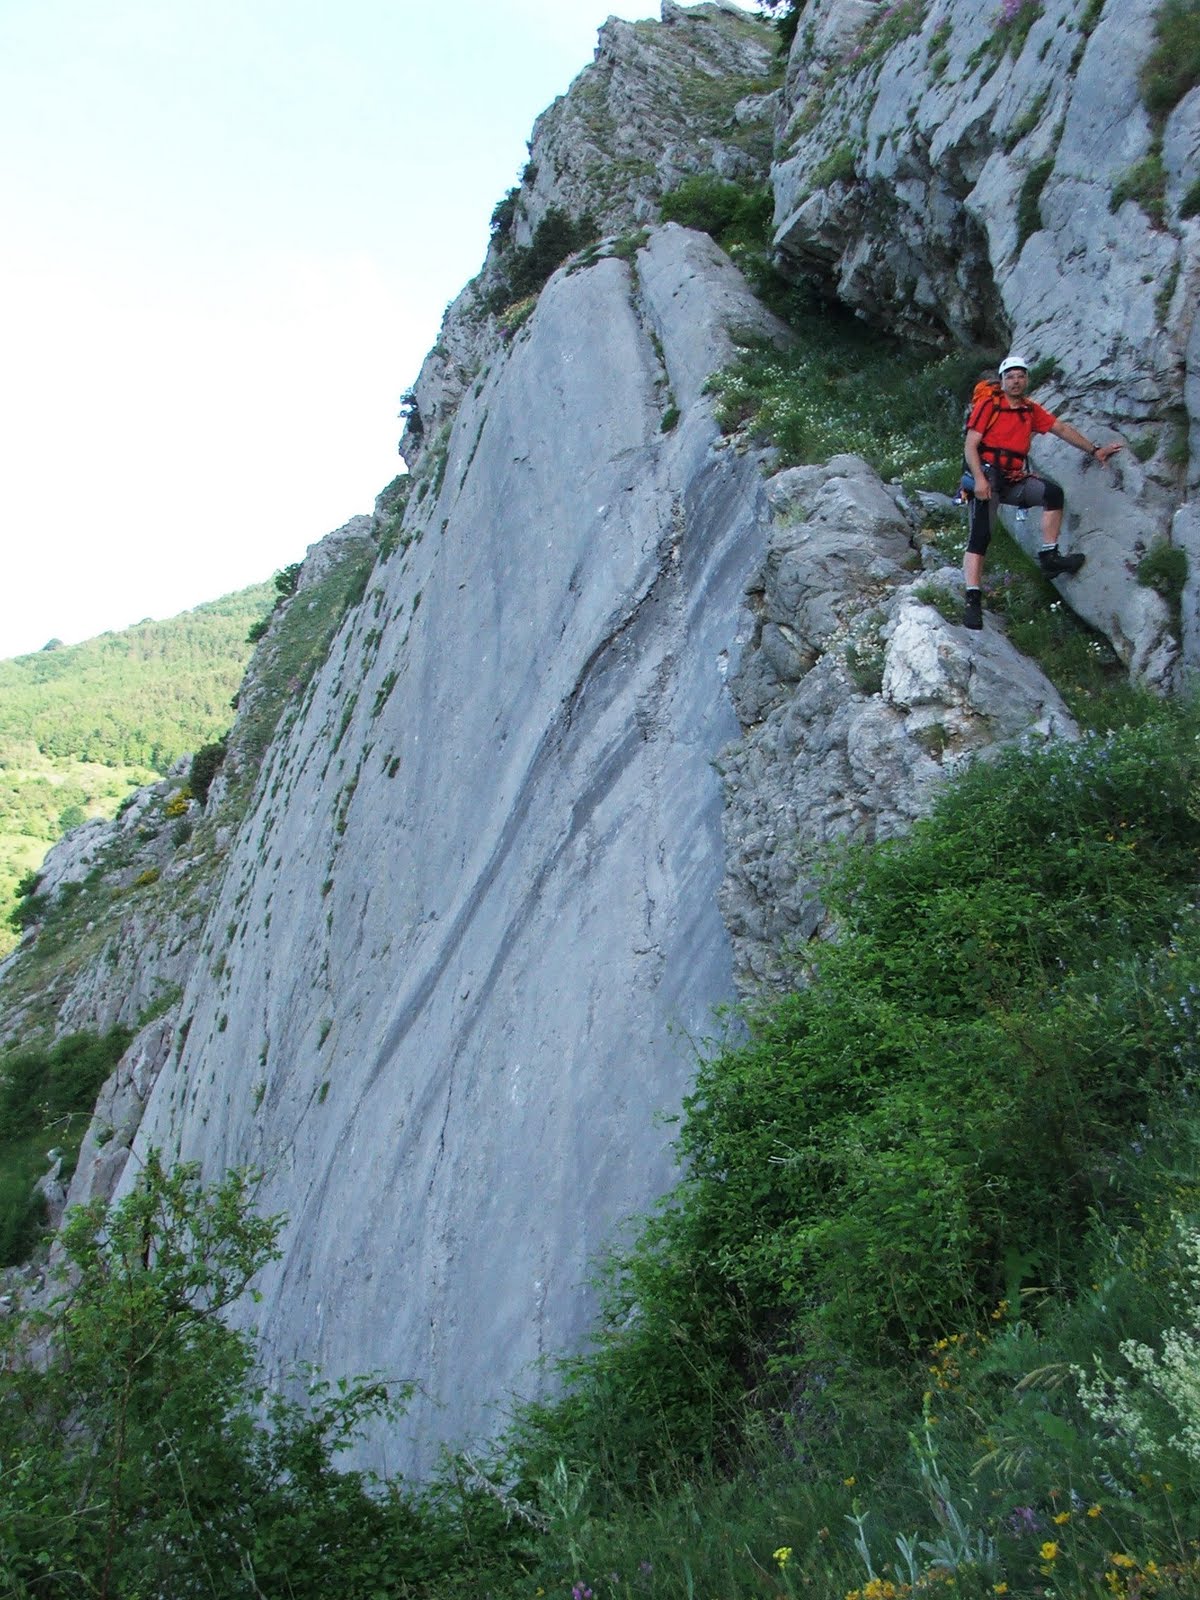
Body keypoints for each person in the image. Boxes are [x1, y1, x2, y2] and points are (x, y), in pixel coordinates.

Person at [961, 355, 1123, 630]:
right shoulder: (990, 405)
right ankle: (972, 601)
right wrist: (978, 479)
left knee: (1052, 494)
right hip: (987, 476)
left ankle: (1050, 557)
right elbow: (970, 445)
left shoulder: (1029, 409)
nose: (1016, 381)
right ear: (1002, 380)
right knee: (980, 536)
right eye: (1010, 376)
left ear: (1026, 380)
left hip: (1012, 478)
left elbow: (1060, 429)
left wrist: (1095, 451)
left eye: (1020, 376)